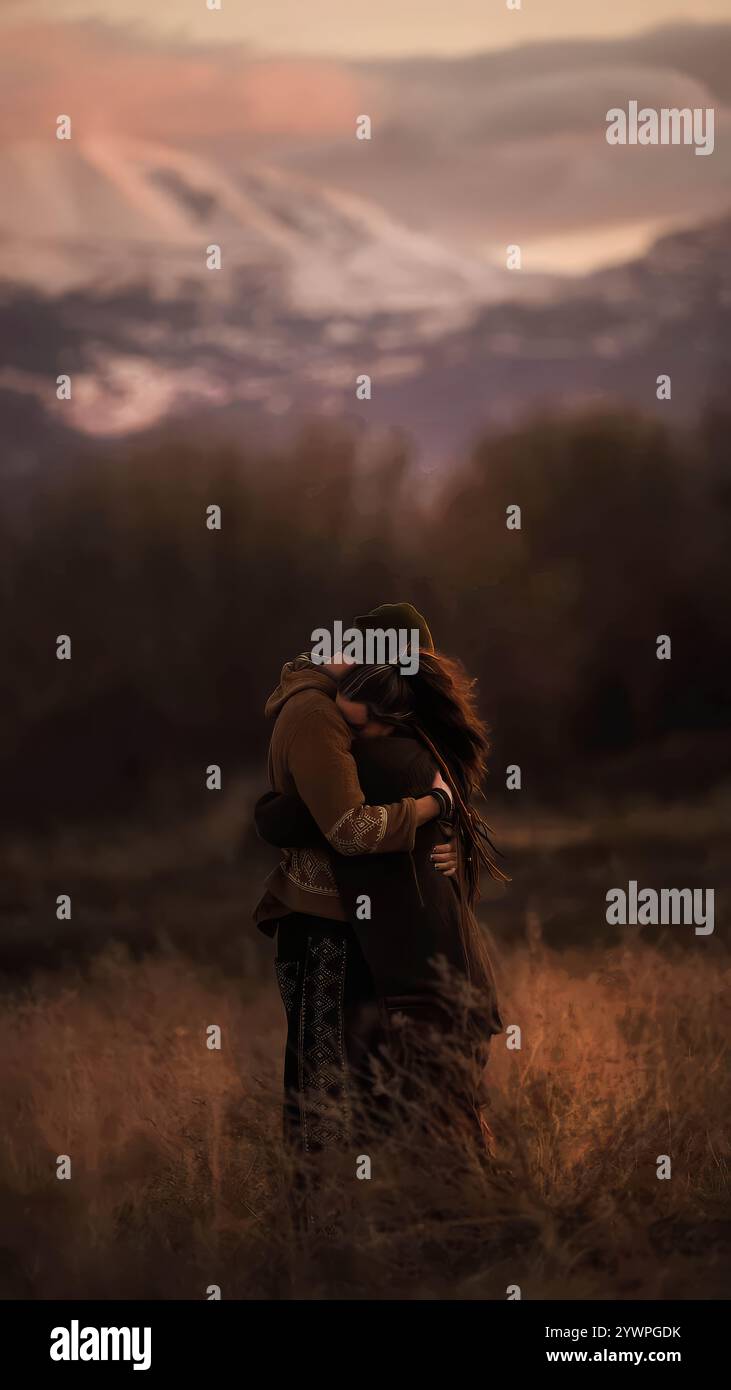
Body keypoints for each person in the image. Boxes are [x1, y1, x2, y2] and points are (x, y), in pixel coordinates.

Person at [254, 604, 506, 1184]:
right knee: (367, 1102)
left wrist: (272, 815)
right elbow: (346, 821)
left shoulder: (387, 751)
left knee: (350, 1100)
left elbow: (323, 821)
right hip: (426, 970)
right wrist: (442, 814)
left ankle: (368, 1231)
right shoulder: (375, 734)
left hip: (412, 973)